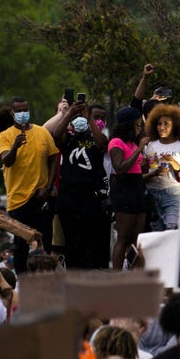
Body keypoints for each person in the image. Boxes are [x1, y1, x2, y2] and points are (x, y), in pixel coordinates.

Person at [0, 96, 59, 272]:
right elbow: (6, 161)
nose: (23, 113)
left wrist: (48, 188)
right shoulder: (5, 136)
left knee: (43, 242)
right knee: (21, 246)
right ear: (12, 112)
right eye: (19, 111)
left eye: (25, 110)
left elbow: (53, 160)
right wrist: (15, 146)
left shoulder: (42, 133)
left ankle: (44, 280)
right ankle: (22, 284)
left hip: (41, 197)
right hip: (18, 201)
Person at [52, 99, 110, 269]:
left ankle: (89, 274)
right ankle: (72, 272)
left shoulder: (96, 139)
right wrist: (69, 113)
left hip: (89, 198)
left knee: (89, 238)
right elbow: (56, 136)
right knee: (71, 239)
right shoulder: (68, 139)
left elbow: (103, 144)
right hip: (68, 197)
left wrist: (90, 118)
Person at [108, 106, 149, 270]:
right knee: (124, 237)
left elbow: (136, 166)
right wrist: (139, 149)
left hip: (137, 187)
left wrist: (145, 164)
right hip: (124, 188)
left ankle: (134, 273)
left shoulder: (132, 142)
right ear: (129, 125)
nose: (140, 128)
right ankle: (117, 275)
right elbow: (120, 167)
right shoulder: (116, 142)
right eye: (138, 125)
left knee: (136, 237)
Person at [143, 103, 180, 231]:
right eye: (159, 124)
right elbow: (142, 172)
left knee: (172, 229)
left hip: (172, 193)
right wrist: (149, 164)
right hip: (151, 192)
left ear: (175, 126)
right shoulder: (150, 145)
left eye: (166, 124)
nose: (162, 127)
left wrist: (174, 163)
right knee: (156, 231)